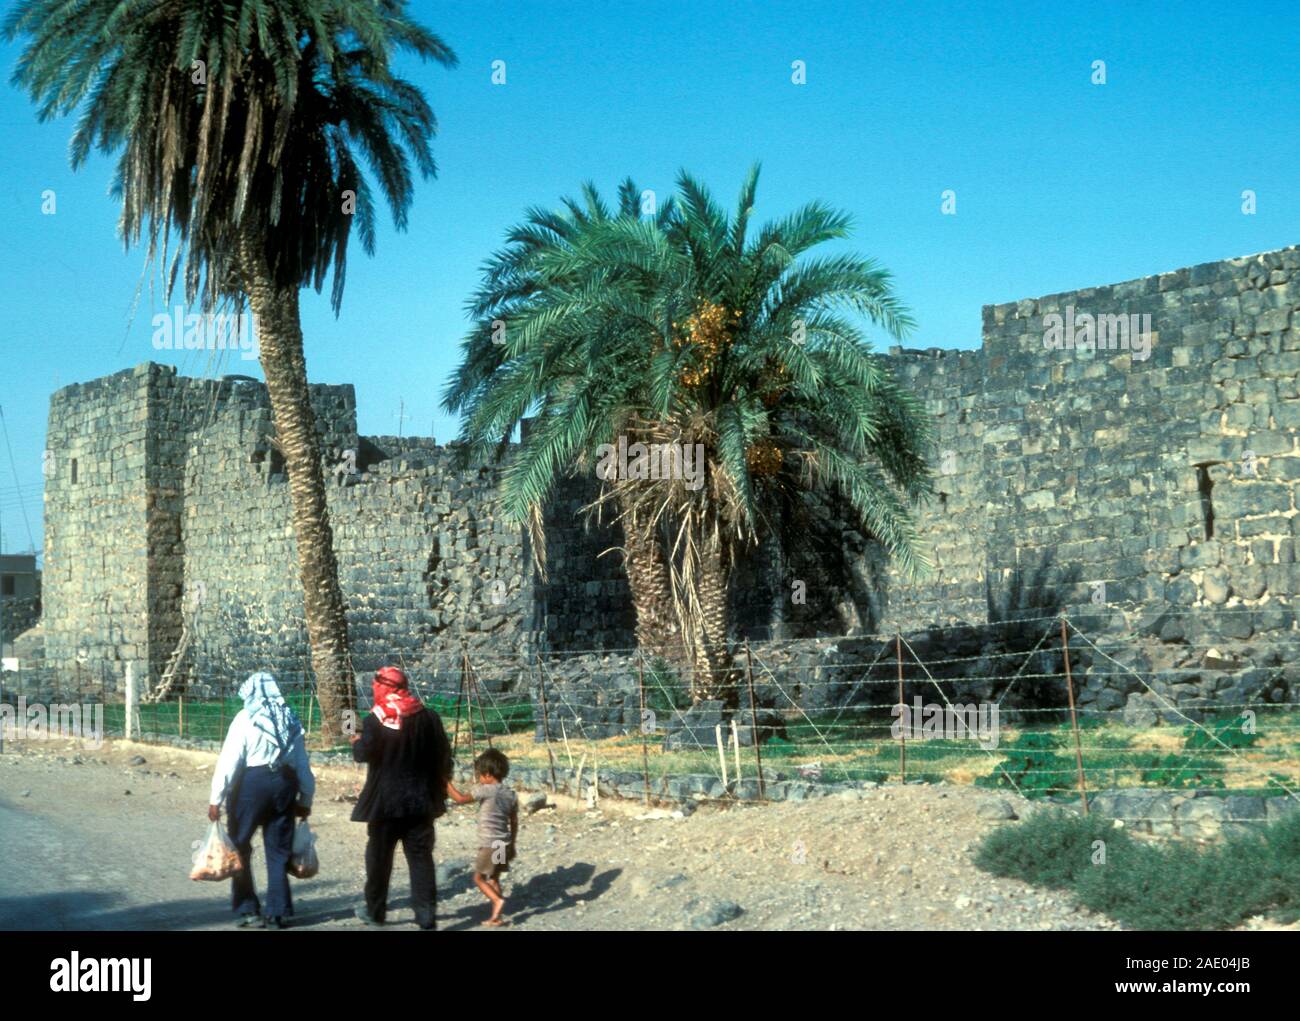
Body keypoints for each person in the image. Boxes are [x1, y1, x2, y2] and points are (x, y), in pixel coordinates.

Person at [209, 671, 315, 929]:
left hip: (251, 786)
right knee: (279, 851)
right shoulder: (289, 718)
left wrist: (216, 798)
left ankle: (248, 910)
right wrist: (306, 798)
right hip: (284, 786)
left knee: (240, 846)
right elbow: (302, 763)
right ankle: (277, 913)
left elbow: (230, 760)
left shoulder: (246, 719)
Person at [350, 666, 452, 929]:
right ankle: (426, 917)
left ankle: (375, 912)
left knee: (379, 860)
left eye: (376, 686)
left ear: (383, 688)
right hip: (421, 802)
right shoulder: (429, 717)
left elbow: (362, 754)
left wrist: (355, 739)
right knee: (421, 859)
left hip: (385, 805)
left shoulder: (375, 720)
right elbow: (443, 756)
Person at [446, 748, 518, 927]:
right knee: (494, 878)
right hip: (503, 843)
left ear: (487, 774)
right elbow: (514, 822)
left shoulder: (486, 790)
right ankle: (497, 917)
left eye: (479, 775)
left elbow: (460, 799)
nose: (478, 778)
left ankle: (498, 900)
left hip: (490, 844)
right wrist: (513, 844)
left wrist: (445, 782)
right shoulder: (510, 794)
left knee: (478, 878)